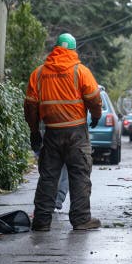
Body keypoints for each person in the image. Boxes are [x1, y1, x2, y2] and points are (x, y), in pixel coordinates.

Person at [24, 33, 103, 231]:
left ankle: (41, 221)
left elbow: (30, 106)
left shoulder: (39, 74)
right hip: (76, 132)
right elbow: (94, 98)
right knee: (80, 175)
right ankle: (81, 219)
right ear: (73, 50)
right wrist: (95, 116)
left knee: (49, 177)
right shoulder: (80, 72)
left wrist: (34, 131)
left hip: (52, 132)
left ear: (56, 49)